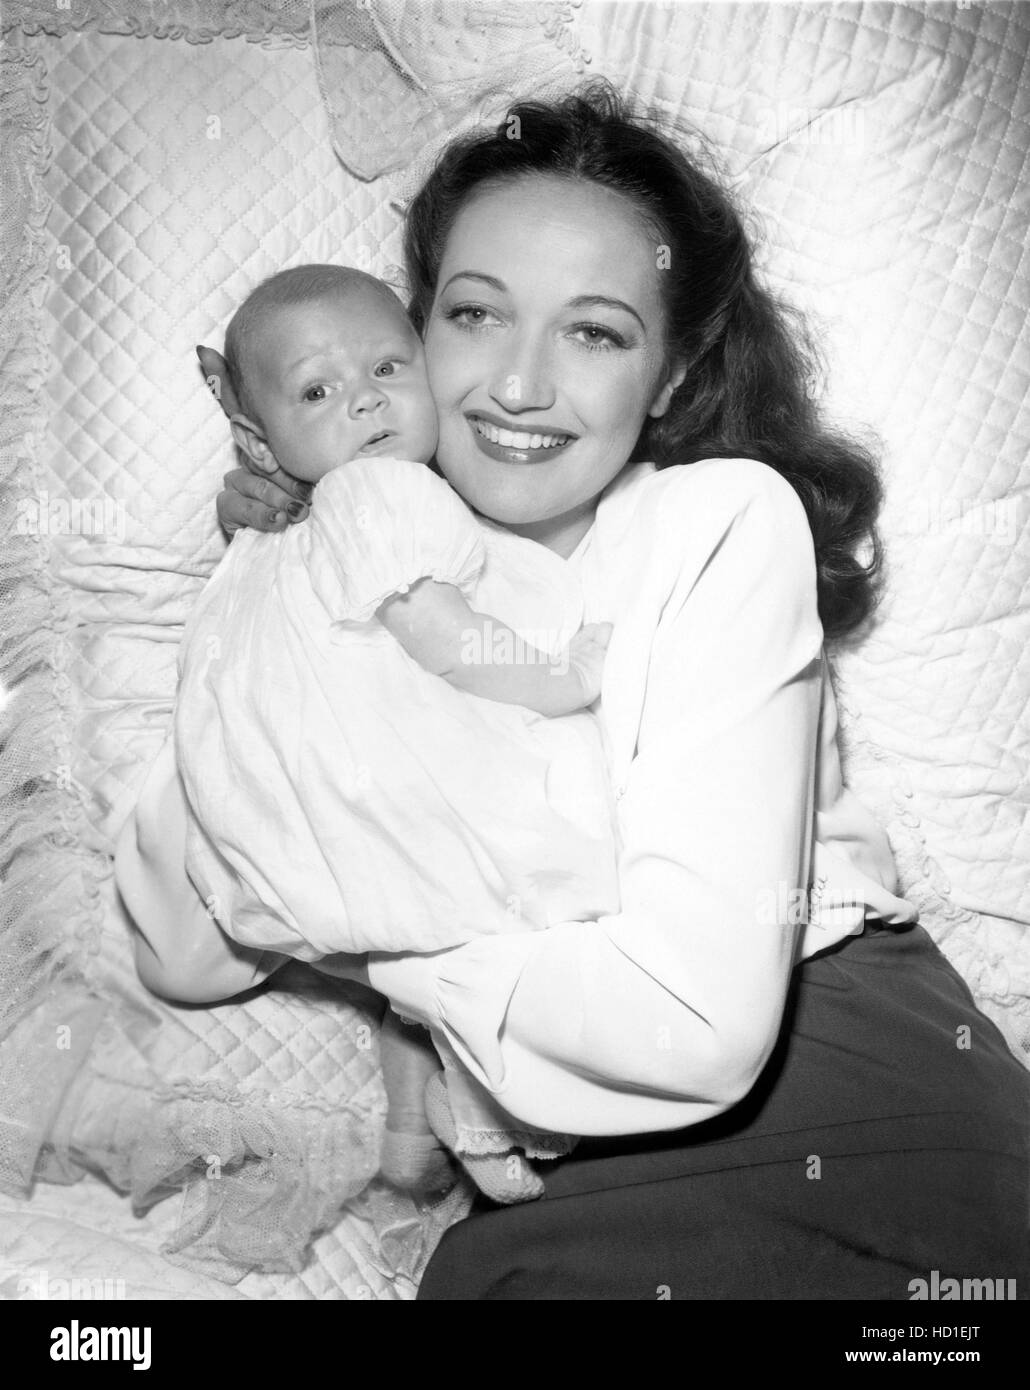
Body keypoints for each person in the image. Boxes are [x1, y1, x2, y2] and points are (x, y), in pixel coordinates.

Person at [116, 82, 1030, 1299]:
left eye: (595, 331)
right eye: (475, 314)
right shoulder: (340, 567)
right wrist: (266, 574)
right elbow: (186, 936)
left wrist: (380, 953)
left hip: (836, 1090)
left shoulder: (714, 523)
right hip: (559, 1173)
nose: (519, 385)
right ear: (411, 325)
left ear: (670, 370)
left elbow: (691, 1023)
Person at [173, 263, 619, 1201]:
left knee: (408, 959)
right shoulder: (378, 494)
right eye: (319, 392)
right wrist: (560, 679)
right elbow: (448, 642)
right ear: (258, 438)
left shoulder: (295, 517)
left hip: (276, 802)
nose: (366, 404)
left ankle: (413, 1128)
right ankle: (494, 1115)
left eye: (386, 369)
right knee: (508, 889)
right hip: (378, 769)